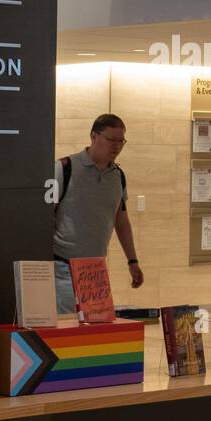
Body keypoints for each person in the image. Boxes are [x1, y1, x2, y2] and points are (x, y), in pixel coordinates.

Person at [52, 114, 145, 314]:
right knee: (66, 333)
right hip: (63, 269)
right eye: (111, 140)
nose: (117, 146)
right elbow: (42, 217)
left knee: (94, 338)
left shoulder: (118, 176)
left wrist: (132, 261)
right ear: (94, 136)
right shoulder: (63, 168)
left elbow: (121, 220)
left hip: (96, 272)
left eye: (121, 141)